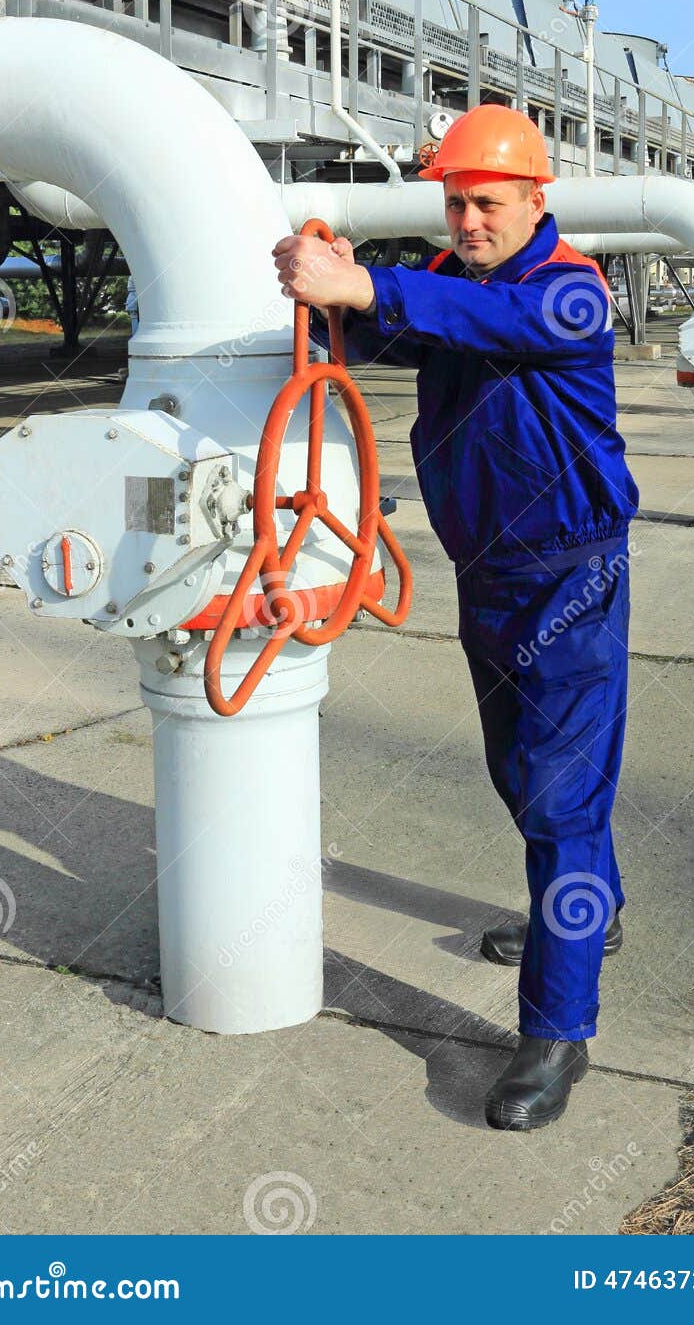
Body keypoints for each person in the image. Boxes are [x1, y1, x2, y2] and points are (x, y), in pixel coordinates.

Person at [272, 103, 639, 1131]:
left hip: (569, 577)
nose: (468, 217)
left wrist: (367, 283)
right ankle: (585, 913)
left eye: (486, 201)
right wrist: (324, 277)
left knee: (561, 801)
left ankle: (556, 1032)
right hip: (485, 573)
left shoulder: (567, 293)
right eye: (454, 200)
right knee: (522, 775)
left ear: (535, 199)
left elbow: (495, 326)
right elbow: (377, 326)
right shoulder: (446, 281)